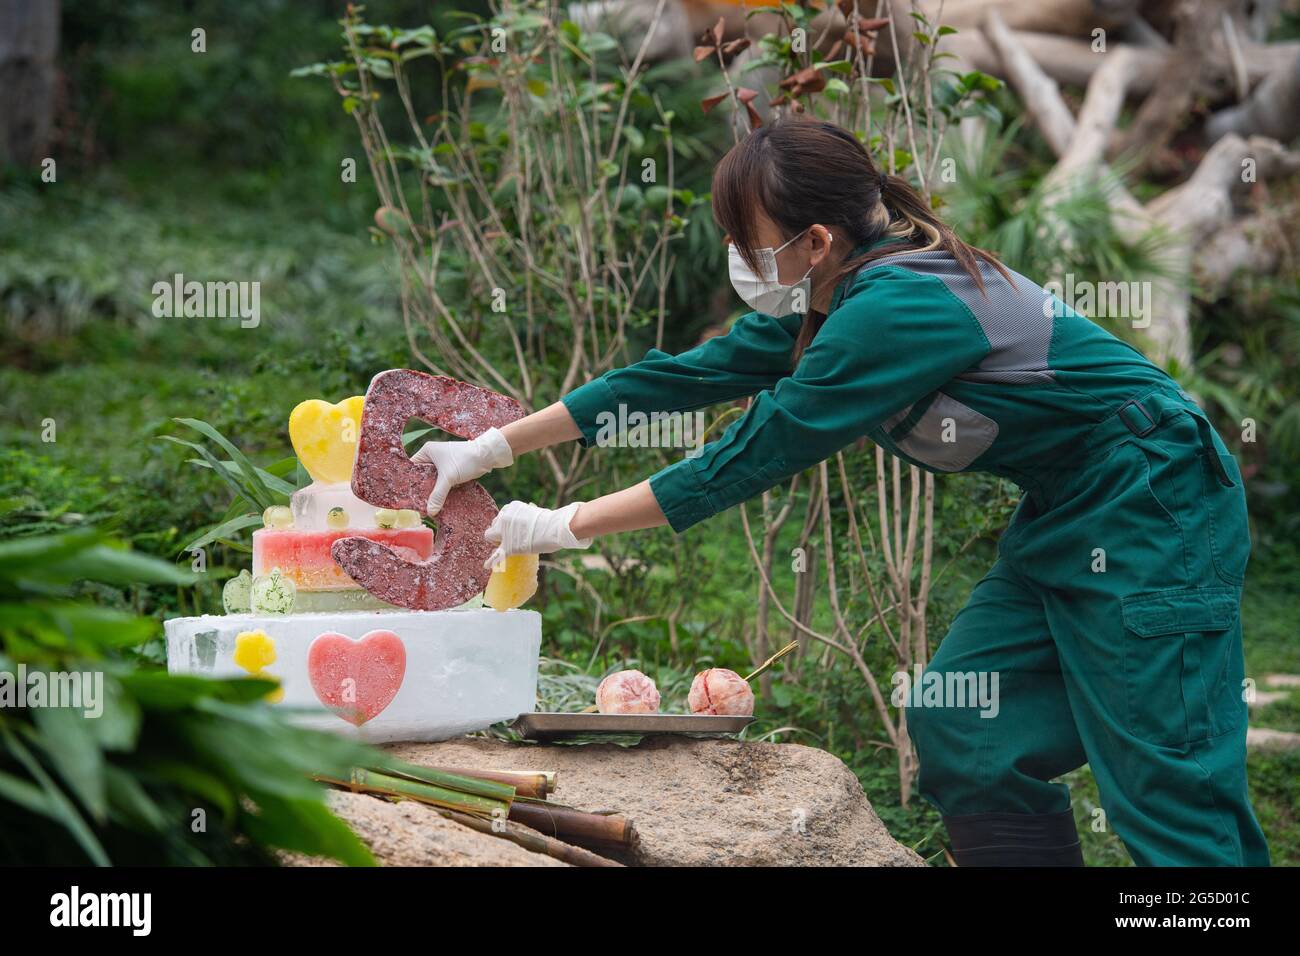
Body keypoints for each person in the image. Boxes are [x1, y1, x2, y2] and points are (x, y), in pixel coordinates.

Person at [412, 118, 1269, 867]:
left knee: (1167, 779)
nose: (744, 262)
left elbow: (753, 451)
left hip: (1155, 501)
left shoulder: (897, 307)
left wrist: (564, 524)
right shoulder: (837, 301)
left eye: (752, 241)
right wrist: (490, 447)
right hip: (1068, 516)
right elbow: (679, 378)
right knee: (967, 729)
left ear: (815, 241)